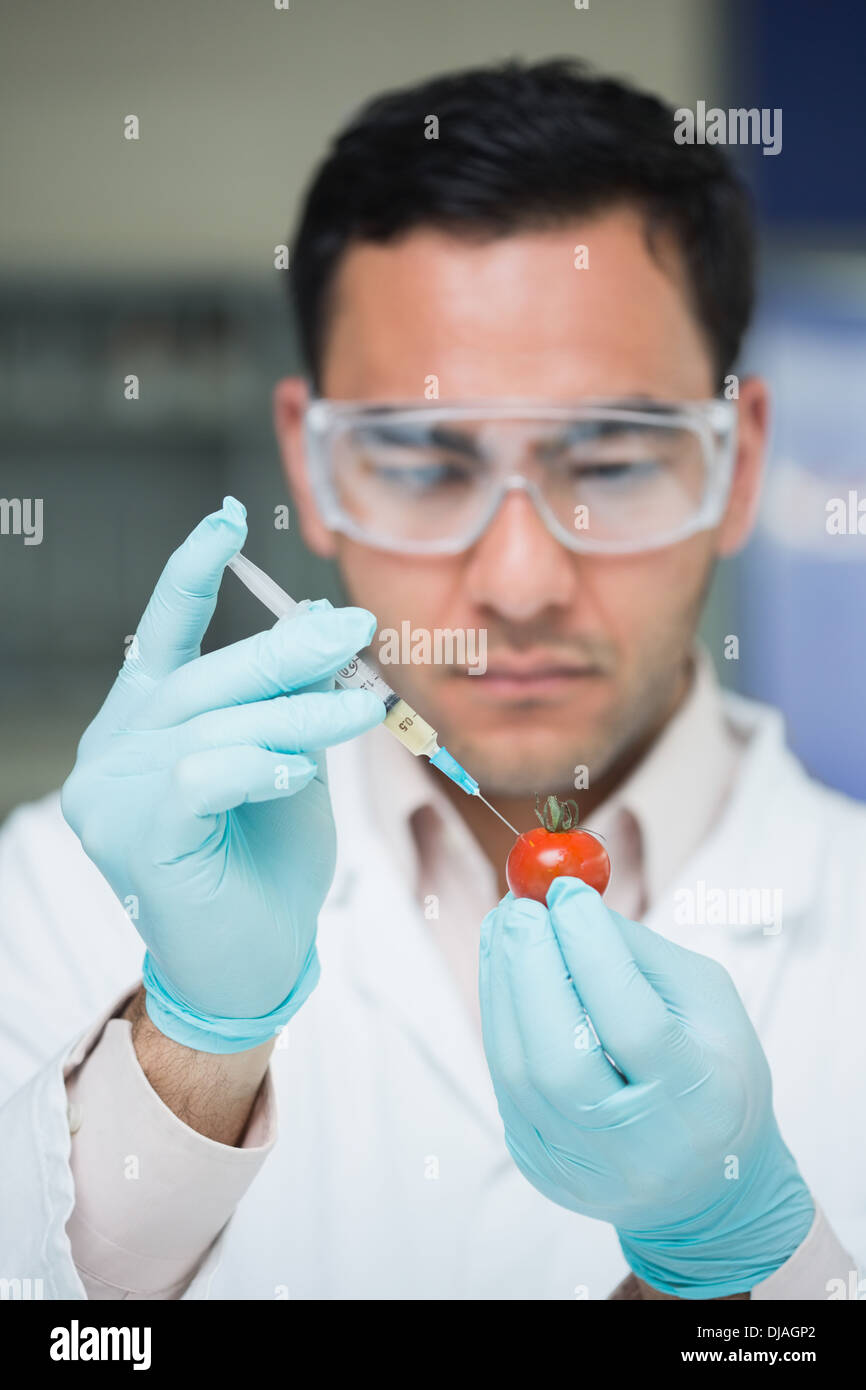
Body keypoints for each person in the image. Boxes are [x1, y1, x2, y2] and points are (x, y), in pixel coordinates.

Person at [1, 59, 864, 1303]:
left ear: (738, 467)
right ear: (310, 459)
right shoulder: (58, 896)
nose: (518, 582)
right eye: (419, 460)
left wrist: (765, 1272)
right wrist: (191, 1044)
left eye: (612, 460)